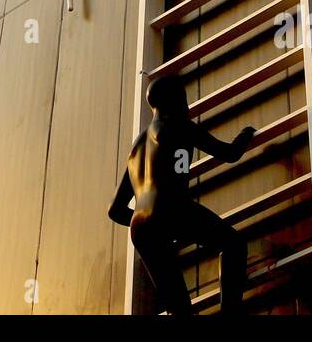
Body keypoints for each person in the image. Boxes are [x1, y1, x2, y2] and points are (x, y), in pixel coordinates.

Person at [109, 75, 256, 315]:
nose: (187, 106)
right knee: (233, 244)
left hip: (140, 227)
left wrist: (160, 228)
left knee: (179, 309)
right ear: (175, 101)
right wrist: (247, 133)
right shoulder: (179, 125)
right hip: (172, 207)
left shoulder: (136, 149)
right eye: (184, 100)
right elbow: (229, 154)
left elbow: (115, 210)